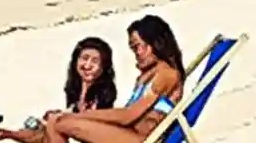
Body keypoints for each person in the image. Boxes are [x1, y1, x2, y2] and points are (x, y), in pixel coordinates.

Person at [41, 15, 185, 143]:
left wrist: (81, 116)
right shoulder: (148, 75)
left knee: (60, 122)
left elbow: (128, 116)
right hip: (127, 133)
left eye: (137, 47)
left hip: (140, 139)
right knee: (53, 123)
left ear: (156, 43)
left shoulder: (167, 74)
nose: (136, 54)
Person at [0, 36, 118, 142]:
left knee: (52, 125)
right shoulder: (76, 89)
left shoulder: (103, 93)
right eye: (84, 58)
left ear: (103, 67)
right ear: (76, 61)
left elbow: (90, 124)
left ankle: (14, 135)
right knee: (44, 127)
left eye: (95, 61)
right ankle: (13, 134)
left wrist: (63, 116)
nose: (87, 65)